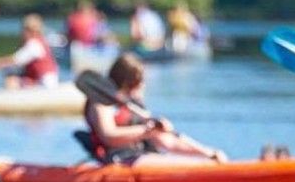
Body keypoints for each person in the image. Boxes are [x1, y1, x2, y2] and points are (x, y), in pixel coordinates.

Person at [82, 52, 227, 163]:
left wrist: (208, 153)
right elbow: (109, 136)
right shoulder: (101, 102)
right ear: (128, 81)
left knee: (184, 160)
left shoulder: (135, 104)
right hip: (115, 159)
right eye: (140, 80)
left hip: (141, 156)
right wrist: (147, 131)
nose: (143, 84)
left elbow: (167, 141)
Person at [0, 13, 60, 89]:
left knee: (11, 79)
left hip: (45, 85)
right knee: (12, 72)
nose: (21, 33)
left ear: (29, 31)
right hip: (42, 81)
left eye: (23, 30)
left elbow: (16, 60)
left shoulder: (34, 45)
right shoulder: (39, 41)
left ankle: (9, 99)